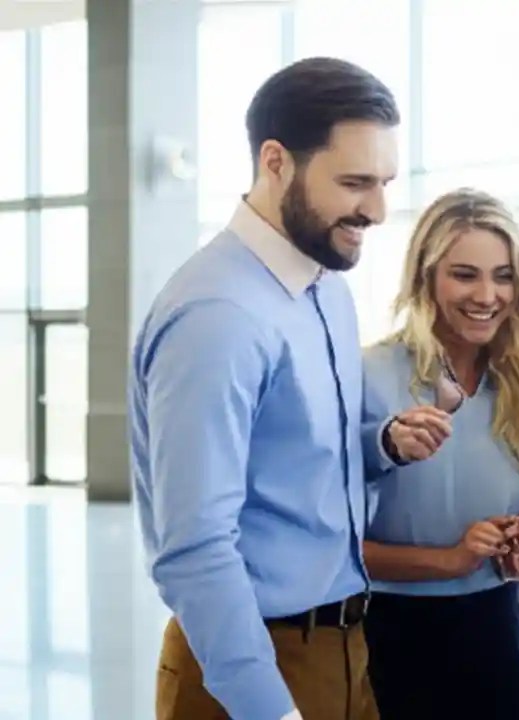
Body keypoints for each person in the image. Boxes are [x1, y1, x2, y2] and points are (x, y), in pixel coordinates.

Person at [130, 57, 443, 720]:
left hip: (345, 648)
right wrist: (268, 707)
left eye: (384, 183)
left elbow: (291, 454)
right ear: (275, 162)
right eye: (354, 183)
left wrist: (381, 445)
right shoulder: (218, 315)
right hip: (250, 669)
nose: (377, 210)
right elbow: (194, 546)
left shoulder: (327, 288)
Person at [360, 189, 519, 719]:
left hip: (497, 633)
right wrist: (448, 561)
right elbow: (334, 547)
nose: (487, 295)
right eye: (465, 275)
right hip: (390, 636)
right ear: (426, 277)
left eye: (503, 276)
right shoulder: (366, 377)